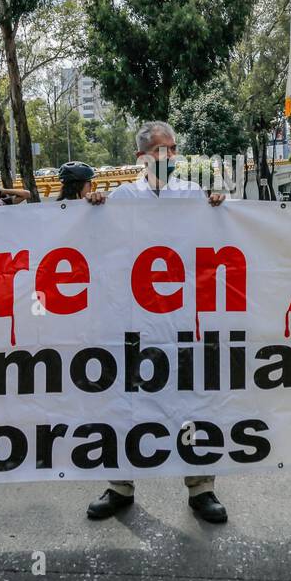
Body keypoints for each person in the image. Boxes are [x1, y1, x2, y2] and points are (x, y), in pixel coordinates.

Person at [87, 120, 227, 524]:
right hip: (132, 318)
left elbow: (212, 244)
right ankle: (119, 487)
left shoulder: (192, 195)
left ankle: (202, 489)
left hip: (180, 316)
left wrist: (217, 206)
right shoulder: (121, 197)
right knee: (127, 401)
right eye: (161, 150)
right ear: (142, 157)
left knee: (189, 398)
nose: (168, 156)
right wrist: (95, 210)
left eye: (172, 149)